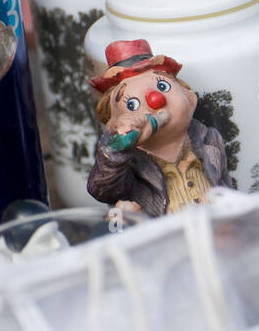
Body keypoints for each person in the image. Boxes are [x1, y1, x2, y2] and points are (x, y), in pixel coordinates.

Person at [86, 39, 234, 216]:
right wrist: (117, 145)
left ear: (190, 98)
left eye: (162, 86)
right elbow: (101, 190)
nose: (155, 100)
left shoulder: (210, 140)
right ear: (114, 125)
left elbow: (225, 185)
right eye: (132, 104)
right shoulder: (128, 164)